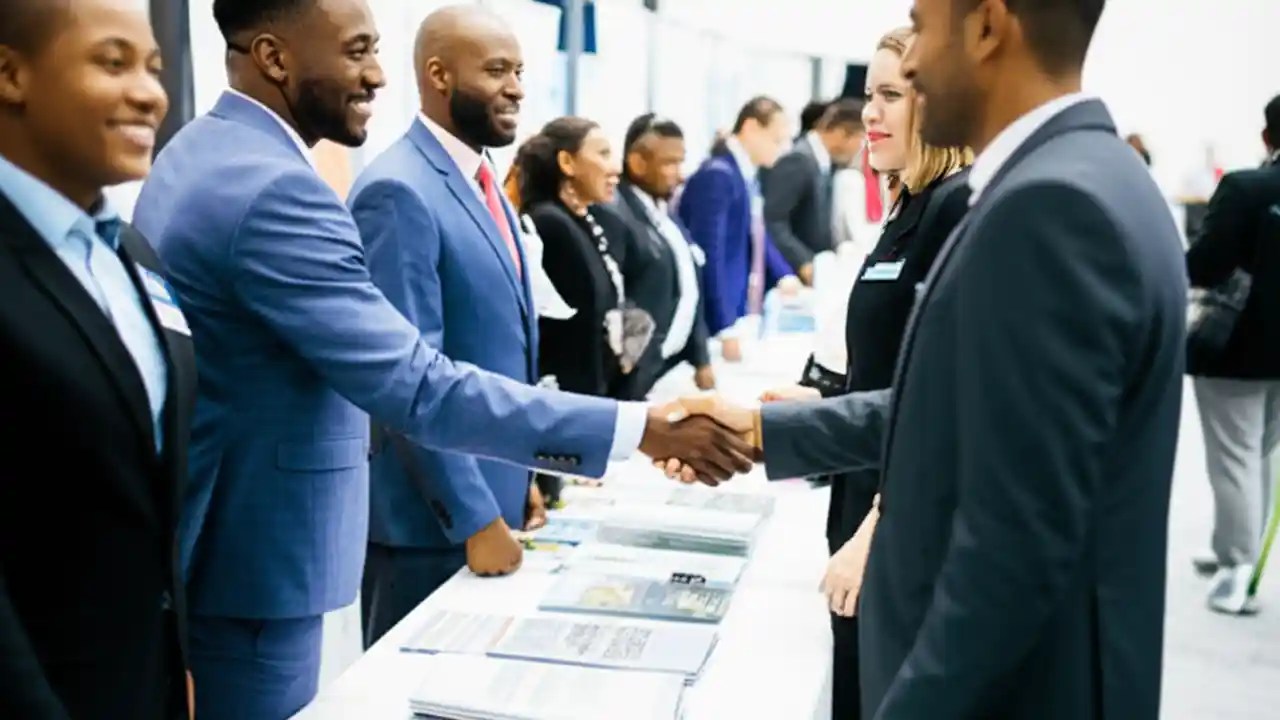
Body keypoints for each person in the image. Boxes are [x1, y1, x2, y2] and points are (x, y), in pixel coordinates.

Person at [131, 0, 752, 717]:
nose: (376, 77)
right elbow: (417, 383)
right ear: (274, 59)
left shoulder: (198, 152)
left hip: (225, 534)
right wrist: (639, 429)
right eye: (358, 52)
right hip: (261, 557)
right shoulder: (280, 190)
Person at [670, 0, 1187, 716]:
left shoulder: (1053, 206)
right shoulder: (1080, 178)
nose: (910, 64)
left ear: (986, 26)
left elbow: (1014, 548)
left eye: (923, 28)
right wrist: (765, 432)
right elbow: (960, 412)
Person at [761, 25, 972, 720]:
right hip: (863, 499)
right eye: (867, 95)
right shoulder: (910, 203)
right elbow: (893, 365)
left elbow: (948, 403)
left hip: (898, 523)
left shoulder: (954, 206)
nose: (870, 114)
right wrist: (818, 399)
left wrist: (876, 530)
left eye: (890, 95)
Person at [0, 0, 196, 718]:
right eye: (111, 63)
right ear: (10, 73)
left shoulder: (132, 253)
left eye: (153, 67)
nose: (150, 92)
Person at [346, 5, 557, 648]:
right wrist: (472, 515)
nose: (517, 86)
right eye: (496, 70)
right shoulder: (398, 190)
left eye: (519, 70)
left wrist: (521, 477)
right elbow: (407, 375)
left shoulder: (483, 178)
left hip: (495, 500)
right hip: (428, 527)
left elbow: (498, 349)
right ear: (438, 75)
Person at [1185, 92, 1280, 614]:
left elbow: (1204, 262)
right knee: (1259, 452)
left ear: (1268, 137)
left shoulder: (1245, 188)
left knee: (1235, 457)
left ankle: (1235, 568)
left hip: (1234, 348)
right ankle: (1234, 548)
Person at [515, 117, 651, 398]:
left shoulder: (586, 221)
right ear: (567, 162)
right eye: (603, 154)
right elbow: (573, 336)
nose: (615, 168)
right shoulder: (550, 224)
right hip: (572, 404)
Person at [678, 96, 798, 363]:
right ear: (752, 128)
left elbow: (755, 232)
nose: (782, 149)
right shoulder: (718, 175)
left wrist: (783, 274)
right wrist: (724, 325)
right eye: (776, 140)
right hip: (715, 319)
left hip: (739, 304)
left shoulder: (745, 174)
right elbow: (710, 253)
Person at [611, 114, 715, 399]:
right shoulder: (616, 213)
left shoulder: (665, 213)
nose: (680, 175)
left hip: (668, 370)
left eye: (681, 162)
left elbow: (689, 282)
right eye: (670, 163)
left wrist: (701, 357)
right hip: (634, 377)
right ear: (637, 162)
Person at [764, 98, 867, 283]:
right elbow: (774, 220)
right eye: (860, 139)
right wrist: (803, 262)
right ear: (841, 133)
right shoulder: (798, 160)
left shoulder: (824, 163)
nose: (861, 149)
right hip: (791, 276)